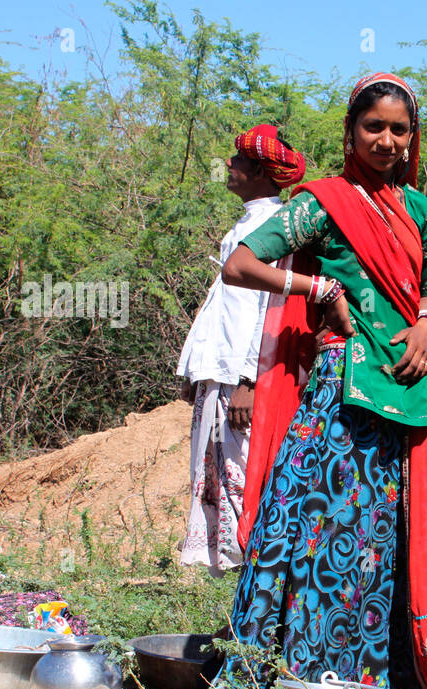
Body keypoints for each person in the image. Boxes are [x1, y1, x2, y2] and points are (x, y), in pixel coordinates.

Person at [203, 73, 427, 689]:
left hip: (404, 394)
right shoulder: (322, 203)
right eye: (374, 127)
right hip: (337, 396)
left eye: (399, 129)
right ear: (350, 132)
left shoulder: (418, 210)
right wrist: (315, 288)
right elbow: (241, 265)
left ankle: (373, 685)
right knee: (313, 528)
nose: (387, 140)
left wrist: (426, 324)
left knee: (382, 538)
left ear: (413, 137)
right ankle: (287, 682)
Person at [175, 125, 305, 577]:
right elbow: (224, 309)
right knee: (213, 469)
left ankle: (250, 568)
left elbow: (270, 309)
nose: (229, 166)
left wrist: (251, 379)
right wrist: (199, 372)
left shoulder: (274, 227)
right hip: (222, 370)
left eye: (238, 161)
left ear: (260, 172)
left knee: (242, 472)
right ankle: (223, 567)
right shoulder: (248, 223)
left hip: (242, 377)